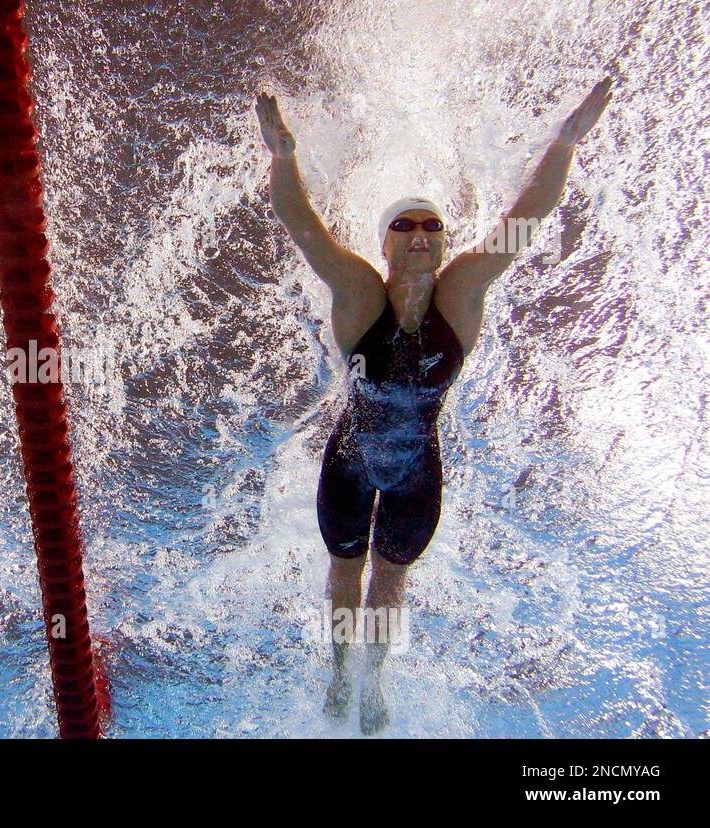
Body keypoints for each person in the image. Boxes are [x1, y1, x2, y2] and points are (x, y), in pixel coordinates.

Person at [256, 78, 612, 733]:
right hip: (350, 461)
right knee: (346, 571)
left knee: (389, 582)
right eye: (405, 225)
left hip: (419, 471)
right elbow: (303, 228)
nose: (420, 234)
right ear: (385, 242)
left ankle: (373, 679)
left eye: (431, 226)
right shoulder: (360, 291)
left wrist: (565, 144)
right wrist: (284, 158)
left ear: (445, 242)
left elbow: (523, 224)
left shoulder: (462, 292)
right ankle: (340, 671)